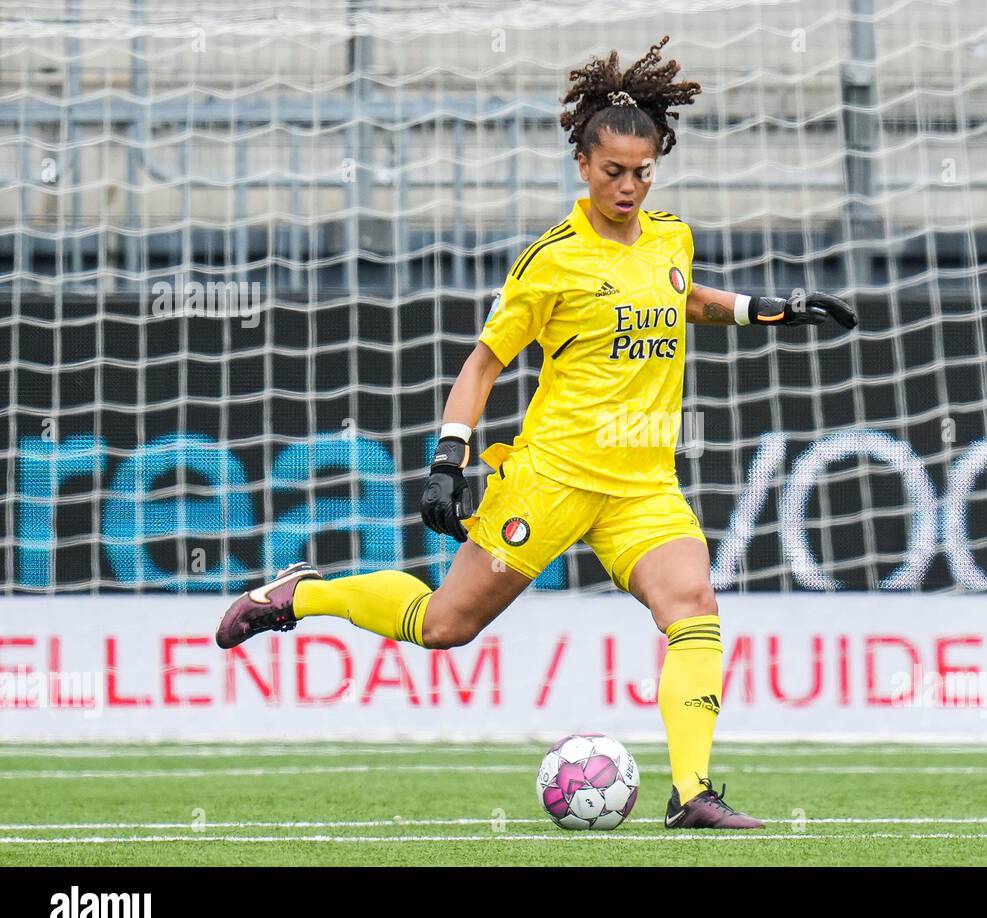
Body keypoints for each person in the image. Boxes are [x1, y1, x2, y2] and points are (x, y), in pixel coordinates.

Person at [215, 36, 856, 829]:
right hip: (550, 477)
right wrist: (448, 457)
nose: (629, 186)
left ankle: (691, 792)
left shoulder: (669, 237)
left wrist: (772, 309)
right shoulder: (549, 262)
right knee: (443, 626)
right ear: (583, 165)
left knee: (693, 604)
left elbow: (684, 296)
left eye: (643, 171)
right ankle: (299, 595)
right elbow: (484, 363)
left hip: (642, 483)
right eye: (614, 171)